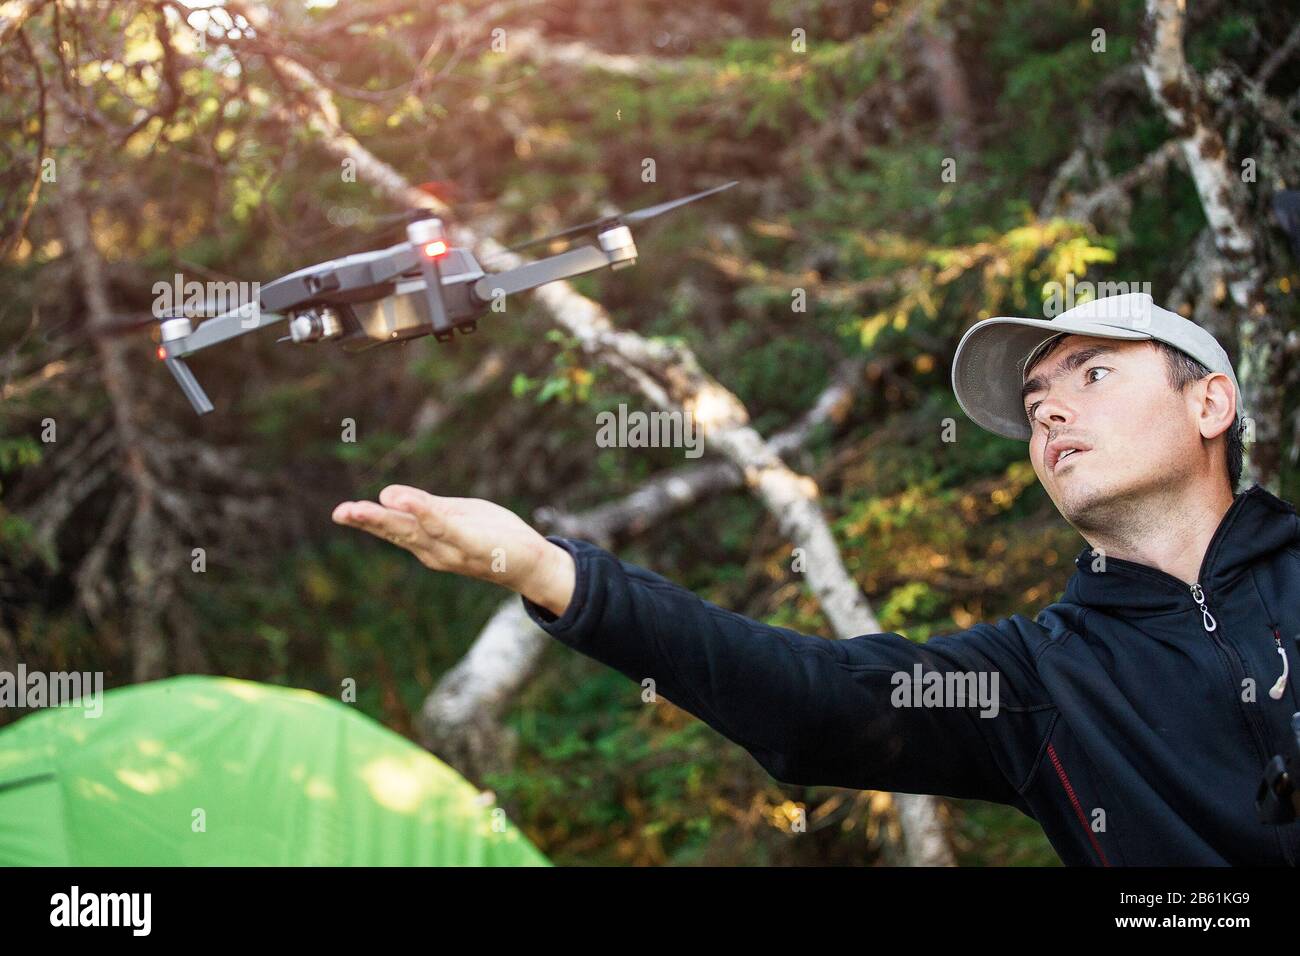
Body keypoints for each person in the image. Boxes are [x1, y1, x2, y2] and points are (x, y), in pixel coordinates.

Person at [332, 292, 1300, 866]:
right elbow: (810, 704)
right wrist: (547, 568)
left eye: (1091, 377)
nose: (1047, 417)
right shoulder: (1038, 681)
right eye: (1034, 403)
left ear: (1209, 401)